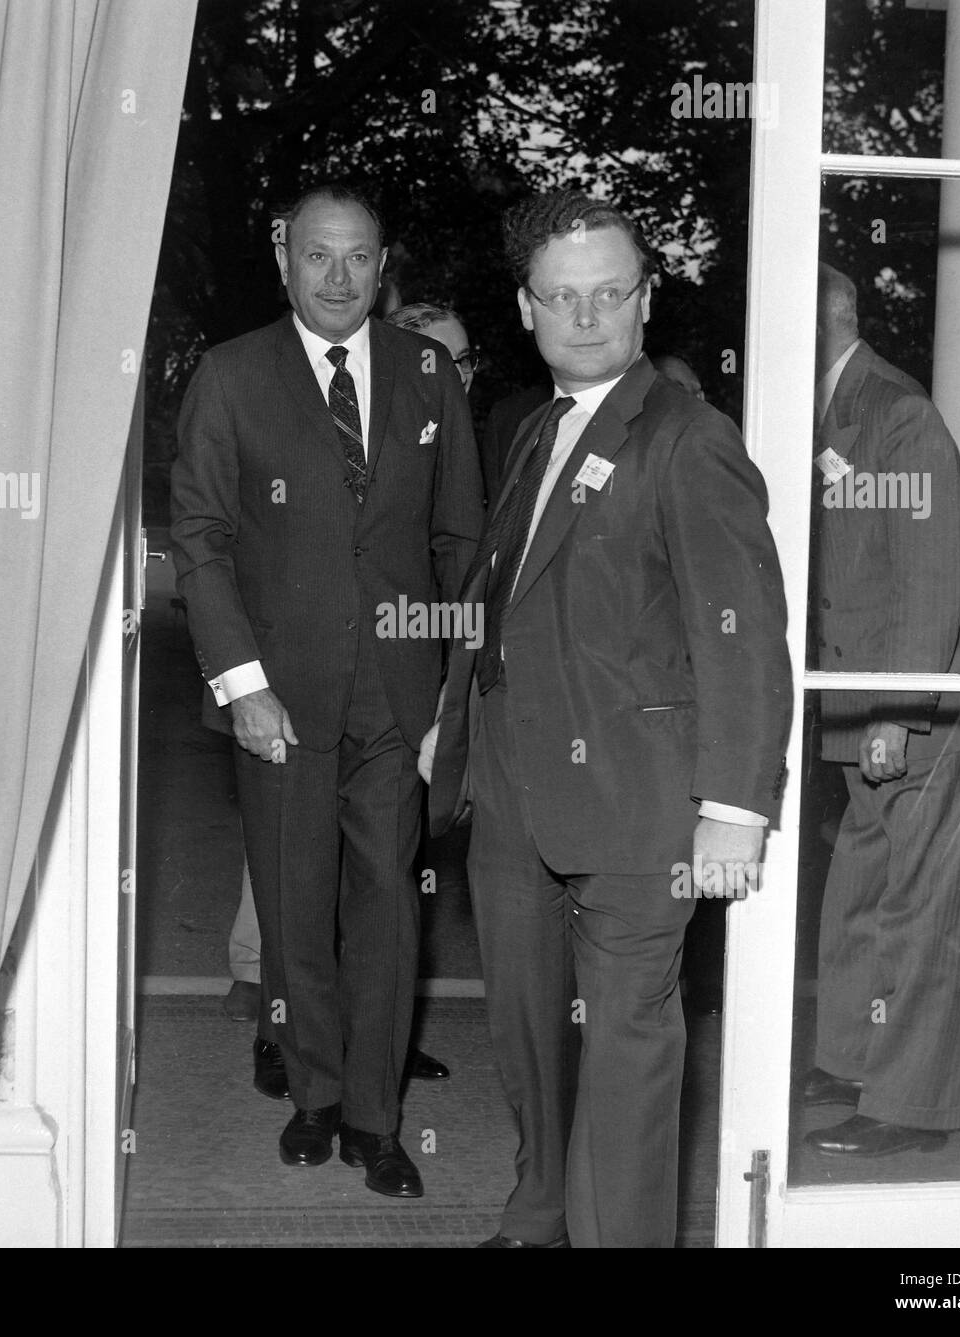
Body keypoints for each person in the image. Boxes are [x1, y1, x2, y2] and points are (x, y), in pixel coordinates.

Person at [423, 188, 793, 1247]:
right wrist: (451, 733)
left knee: (628, 1053)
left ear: (645, 299)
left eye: (609, 293)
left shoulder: (687, 439)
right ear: (527, 307)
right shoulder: (538, 427)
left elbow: (742, 634)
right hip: (513, 799)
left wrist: (733, 807)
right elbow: (505, 604)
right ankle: (539, 1211)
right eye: (561, 296)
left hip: (639, 809)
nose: (586, 317)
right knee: (529, 1034)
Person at [171, 183, 483, 1198]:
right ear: (283, 261)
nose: (339, 277)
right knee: (296, 908)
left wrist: (449, 687)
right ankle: (311, 1092)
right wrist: (241, 682)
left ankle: (375, 1117)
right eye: (318, 256)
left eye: (358, 257)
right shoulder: (228, 377)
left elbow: (458, 541)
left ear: (382, 264)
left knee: (389, 907)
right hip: (280, 700)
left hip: (398, 697)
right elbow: (203, 543)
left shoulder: (428, 371)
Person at [802, 264, 960, 1156]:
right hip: (868, 693)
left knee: (927, 904)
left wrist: (897, 708)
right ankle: (851, 1056)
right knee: (861, 887)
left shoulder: (897, 413)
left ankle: (911, 1106)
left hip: (932, 698)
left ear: (828, 317)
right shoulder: (825, 411)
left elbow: (929, 576)